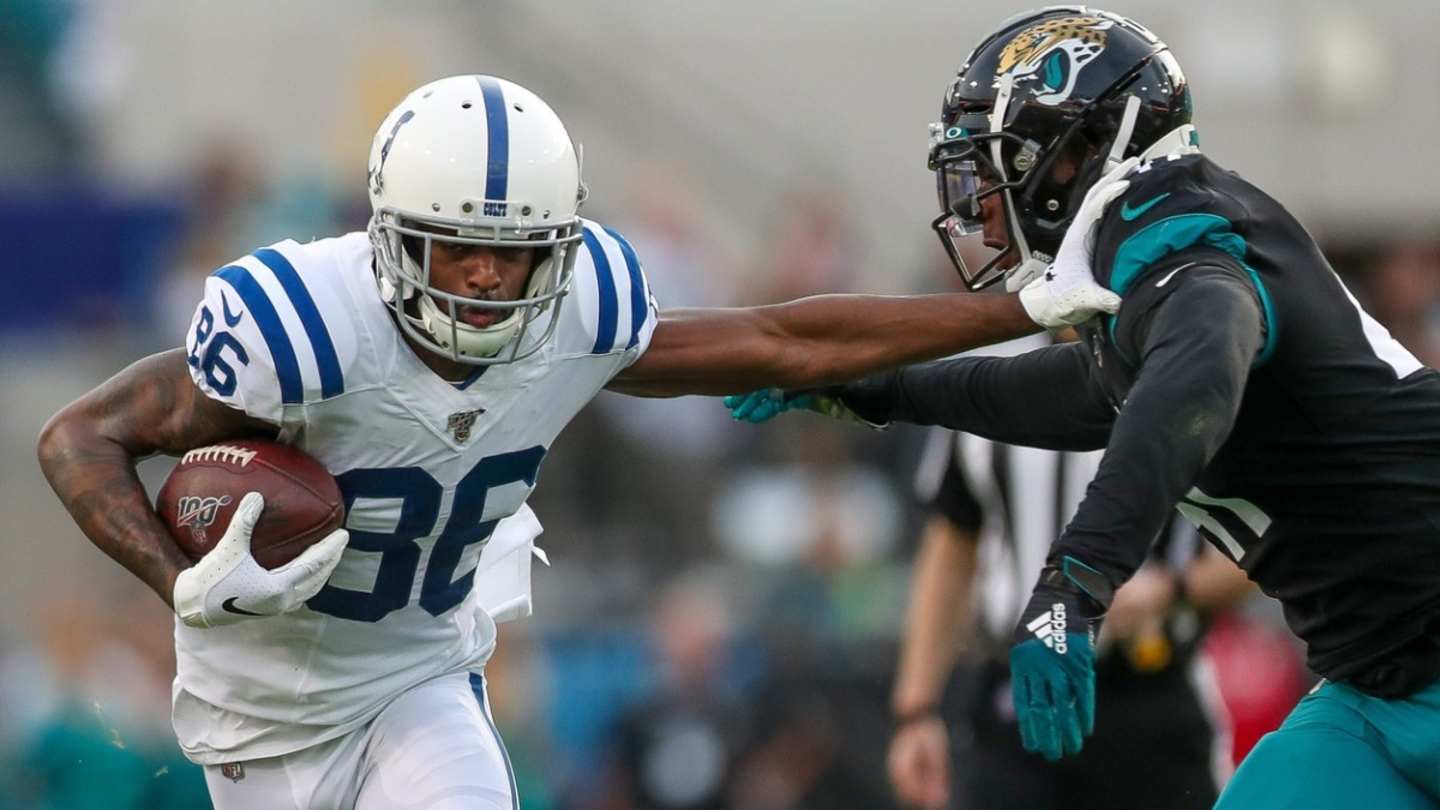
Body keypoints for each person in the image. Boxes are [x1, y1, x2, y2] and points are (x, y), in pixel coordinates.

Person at [34, 75, 1112, 810]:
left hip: (416, 677)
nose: (488, 280)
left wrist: (1020, 309)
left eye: (514, 254)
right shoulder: (303, 330)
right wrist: (178, 579)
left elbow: (788, 338)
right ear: (389, 233)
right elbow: (78, 437)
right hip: (251, 715)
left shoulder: (586, 309)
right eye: (456, 250)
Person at [726, 8, 1440, 808]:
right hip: (1377, 689)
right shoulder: (1144, 277)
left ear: (1083, 153)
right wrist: (876, 389)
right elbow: (1074, 395)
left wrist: (1075, 582)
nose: (984, 208)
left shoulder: (1180, 240)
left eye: (1009, 165)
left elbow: (1202, 363)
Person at [888, 378, 1250, 810]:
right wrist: (917, 709)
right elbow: (952, 540)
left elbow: (1270, 544)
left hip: (1149, 692)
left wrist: (1169, 589)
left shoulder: (1191, 363)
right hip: (1019, 698)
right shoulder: (992, 369)